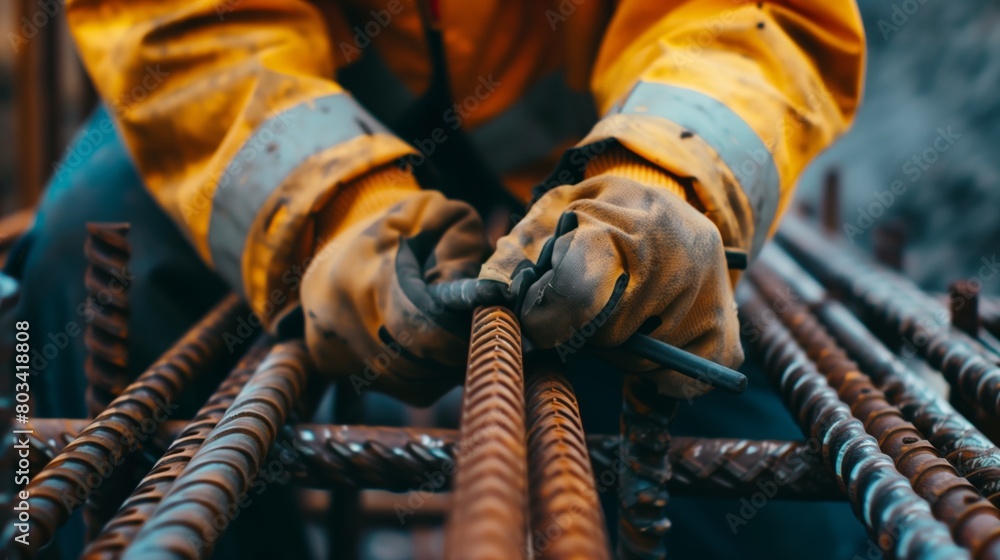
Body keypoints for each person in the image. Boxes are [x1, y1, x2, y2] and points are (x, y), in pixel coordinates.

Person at [5, 1, 867, 557]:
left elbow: (756, 17)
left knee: (757, 486)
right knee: (89, 253)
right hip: (302, 92)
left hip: (600, 122)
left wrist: (659, 178)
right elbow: (189, 29)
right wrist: (335, 213)